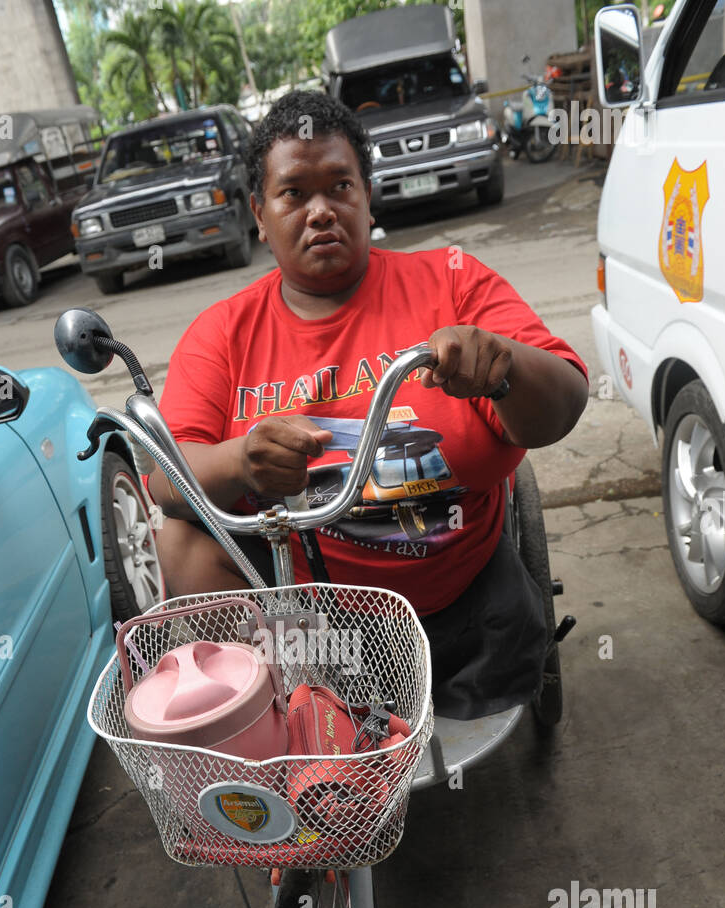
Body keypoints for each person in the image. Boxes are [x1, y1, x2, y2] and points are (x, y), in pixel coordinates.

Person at [147, 91, 588, 718]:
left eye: (340, 186)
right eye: (294, 193)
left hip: (460, 597)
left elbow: (567, 403)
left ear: (367, 195)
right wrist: (243, 462)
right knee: (179, 537)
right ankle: (287, 706)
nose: (321, 210)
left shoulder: (451, 281)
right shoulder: (221, 332)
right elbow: (166, 478)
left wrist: (504, 368)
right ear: (259, 214)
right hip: (312, 625)